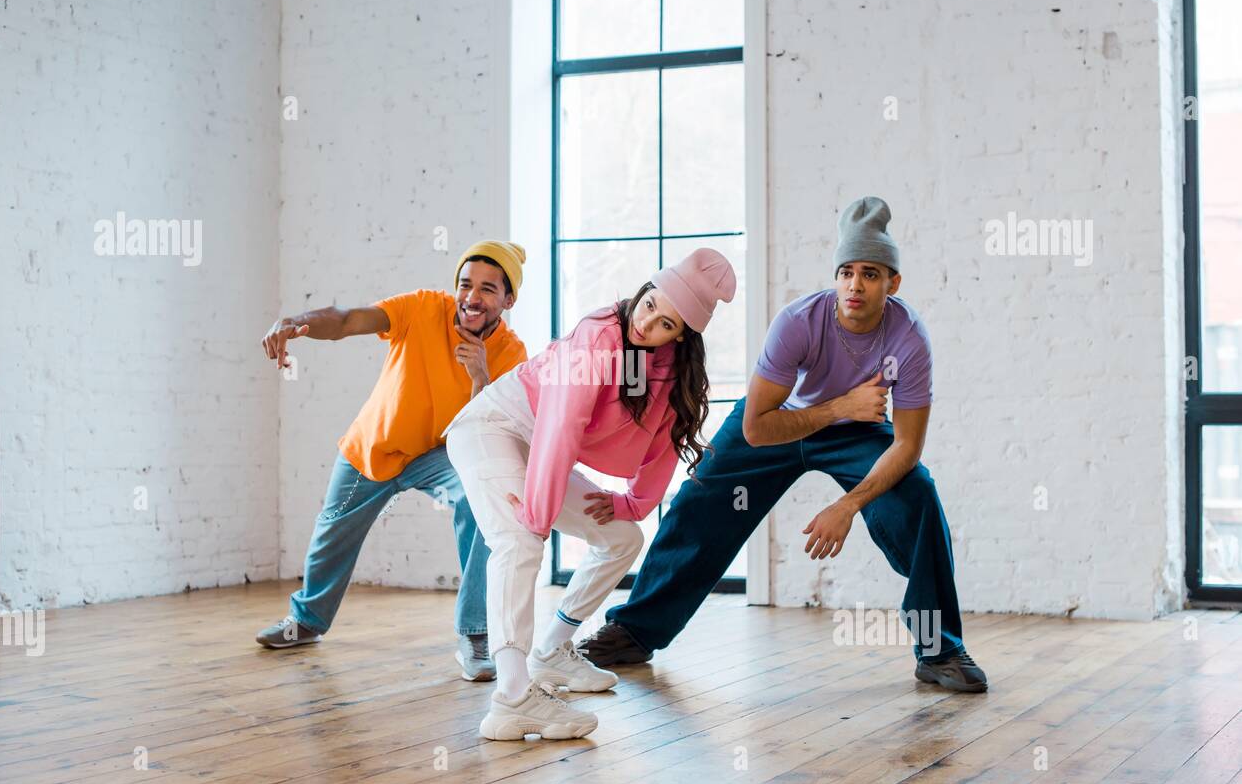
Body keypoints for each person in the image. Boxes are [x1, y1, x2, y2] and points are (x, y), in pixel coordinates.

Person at [579, 198, 989, 694]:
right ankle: (633, 631)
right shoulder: (798, 321)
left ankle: (940, 649)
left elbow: (906, 445)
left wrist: (849, 504)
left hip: (857, 432)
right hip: (780, 421)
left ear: (892, 282)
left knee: (917, 498)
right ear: (836, 276)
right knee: (702, 499)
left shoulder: (908, 338)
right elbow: (755, 428)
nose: (855, 285)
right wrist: (840, 406)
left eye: (871, 274)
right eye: (847, 272)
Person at [445, 248, 737, 739]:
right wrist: (537, 513)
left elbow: (666, 438)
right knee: (519, 540)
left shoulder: (665, 368)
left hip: (537, 444)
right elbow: (561, 424)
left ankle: (552, 651)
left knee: (623, 538)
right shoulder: (598, 336)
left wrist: (633, 505)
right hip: (493, 426)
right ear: (643, 291)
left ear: (682, 337)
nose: (648, 325)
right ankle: (513, 698)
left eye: (667, 324)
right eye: (650, 306)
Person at [254, 241, 528, 684]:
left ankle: (476, 634)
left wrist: (481, 376)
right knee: (333, 526)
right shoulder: (422, 308)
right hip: (376, 446)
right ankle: (306, 622)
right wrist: (295, 323)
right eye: (465, 284)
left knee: (482, 502)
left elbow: (488, 433)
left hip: (439, 456)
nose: (472, 298)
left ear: (508, 300)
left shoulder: (512, 354)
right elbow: (347, 319)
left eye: (487, 290)